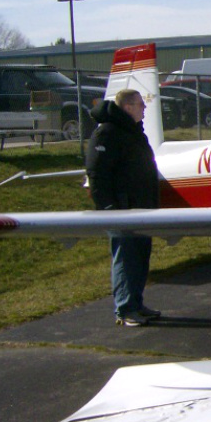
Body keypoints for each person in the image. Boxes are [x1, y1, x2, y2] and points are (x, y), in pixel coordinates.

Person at [85, 89, 161, 327]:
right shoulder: (107, 133)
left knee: (140, 258)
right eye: (140, 105)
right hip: (122, 208)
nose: (144, 109)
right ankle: (125, 309)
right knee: (125, 259)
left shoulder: (134, 132)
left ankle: (136, 303)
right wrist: (109, 207)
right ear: (128, 107)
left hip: (140, 208)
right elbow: (97, 173)